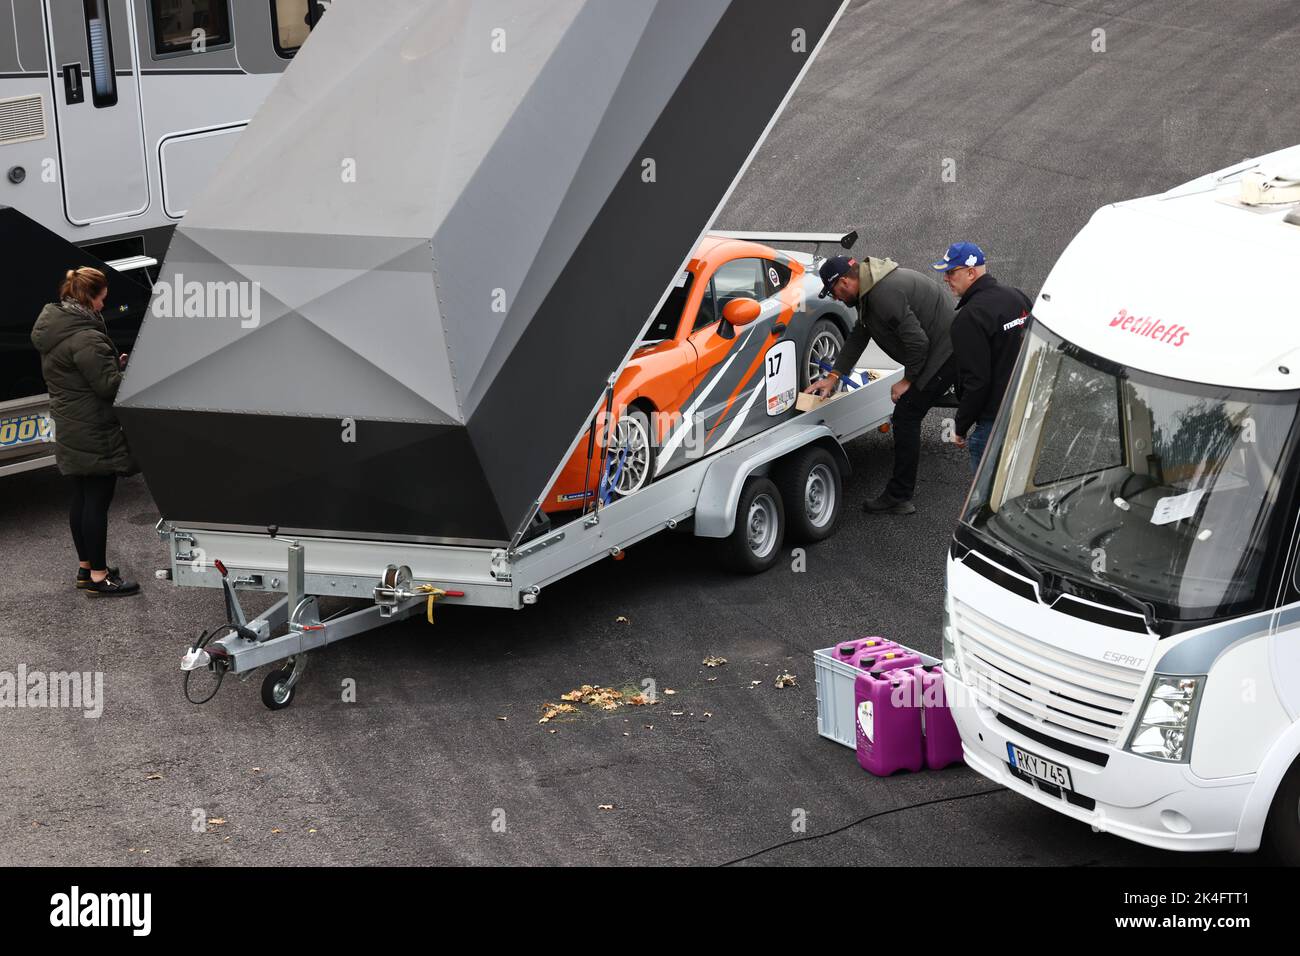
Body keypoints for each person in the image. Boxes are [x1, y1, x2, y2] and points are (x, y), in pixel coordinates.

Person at [804, 254, 956, 515]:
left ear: (844, 282)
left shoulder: (883, 294)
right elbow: (859, 335)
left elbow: (918, 343)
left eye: (834, 292)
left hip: (946, 353)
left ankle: (899, 496)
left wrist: (907, 381)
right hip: (943, 348)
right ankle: (971, 394)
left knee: (906, 414)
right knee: (927, 398)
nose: (835, 298)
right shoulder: (869, 288)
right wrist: (833, 376)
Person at [30, 267, 140, 597]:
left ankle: (86, 566)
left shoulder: (56, 328)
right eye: (103, 299)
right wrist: (127, 371)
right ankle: (100, 577)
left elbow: (84, 376)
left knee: (80, 498)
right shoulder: (86, 336)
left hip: (70, 423)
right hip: (93, 427)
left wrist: (111, 366)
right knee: (97, 502)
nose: (105, 305)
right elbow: (107, 387)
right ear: (89, 297)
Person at [931, 242, 1031, 470]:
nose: (946, 279)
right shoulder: (1018, 298)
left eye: (950, 272)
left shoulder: (968, 319)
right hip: (1026, 407)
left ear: (971, 272)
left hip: (994, 419)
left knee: (987, 497)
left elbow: (977, 380)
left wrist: (961, 425)